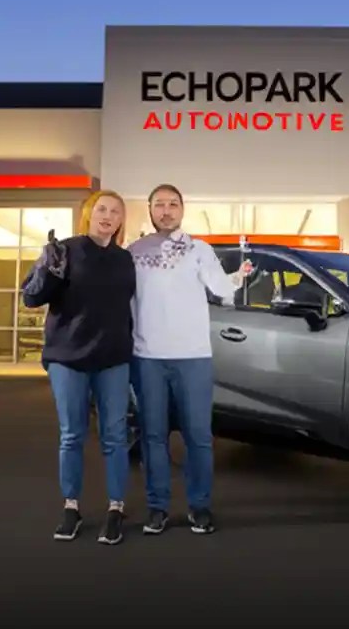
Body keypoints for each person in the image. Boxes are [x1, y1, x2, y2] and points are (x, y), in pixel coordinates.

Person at [128, 183, 252, 535]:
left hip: (193, 356)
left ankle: (200, 506)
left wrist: (238, 277)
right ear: (150, 209)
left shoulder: (200, 250)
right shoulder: (133, 252)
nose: (166, 210)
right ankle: (157, 508)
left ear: (182, 209)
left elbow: (221, 288)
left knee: (198, 436)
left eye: (173, 204)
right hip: (147, 356)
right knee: (153, 436)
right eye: (159, 204)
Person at [21, 190, 136, 545]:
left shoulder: (124, 260)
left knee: (115, 436)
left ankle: (116, 507)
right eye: (101, 209)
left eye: (115, 211)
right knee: (72, 435)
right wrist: (47, 270)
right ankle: (71, 506)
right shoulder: (66, 251)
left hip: (113, 358)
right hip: (68, 357)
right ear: (88, 213)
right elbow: (31, 297)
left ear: (121, 220)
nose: (107, 215)